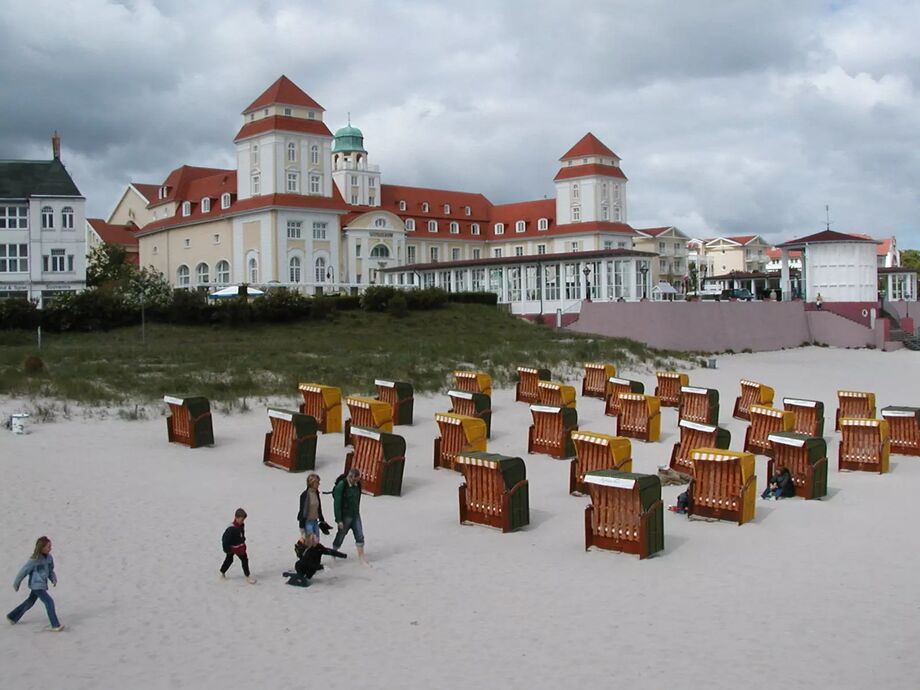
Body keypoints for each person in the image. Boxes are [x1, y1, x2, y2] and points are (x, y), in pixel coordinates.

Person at [7, 536, 63, 631]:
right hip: (36, 586)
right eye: (48, 546)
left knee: (30, 602)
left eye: (50, 546)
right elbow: (23, 571)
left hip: (43, 585)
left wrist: (53, 578)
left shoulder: (49, 558)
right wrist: (17, 583)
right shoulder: (34, 560)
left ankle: (12, 616)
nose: (50, 548)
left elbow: (50, 570)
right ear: (42, 547)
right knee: (49, 602)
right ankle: (55, 625)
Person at [283, 534, 347, 587]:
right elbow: (310, 565)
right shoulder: (309, 551)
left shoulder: (319, 547)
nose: (317, 538)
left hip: (311, 568)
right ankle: (290, 575)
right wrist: (322, 567)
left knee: (309, 576)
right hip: (301, 567)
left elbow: (329, 551)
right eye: (316, 537)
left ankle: (292, 575)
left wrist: (343, 555)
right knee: (302, 579)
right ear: (312, 541)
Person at [332, 468, 368, 564]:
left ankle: (361, 557)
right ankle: (334, 552)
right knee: (341, 535)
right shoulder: (341, 486)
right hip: (345, 515)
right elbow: (337, 504)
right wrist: (339, 519)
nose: (356, 481)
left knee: (359, 534)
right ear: (351, 477)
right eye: (355, 479)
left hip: (355, 514)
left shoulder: (357, 486)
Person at [220, 508, 256, 583]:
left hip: (240, 547)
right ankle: (222, 572)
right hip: (231, 548)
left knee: (244, 559)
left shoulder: (241, 525)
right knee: (229, 560)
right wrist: (227, 549)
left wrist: (243, 539)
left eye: (243, 520)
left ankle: (247, 576)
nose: (242, 521)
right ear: (236, 517)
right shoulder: (230, 529)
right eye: (241, 519)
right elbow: (225, 540)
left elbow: (241, 534)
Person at [297, 473, 331, 539]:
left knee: (316, 540)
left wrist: (322, 520)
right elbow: (302, 510)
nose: (319, 484)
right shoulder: (305, 495)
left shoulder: (316, 493)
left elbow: (318, 508)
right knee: (311, 541)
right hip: (307, 522)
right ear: (311, 483)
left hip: (315, 521)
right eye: (317, 482)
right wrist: (301, 525)